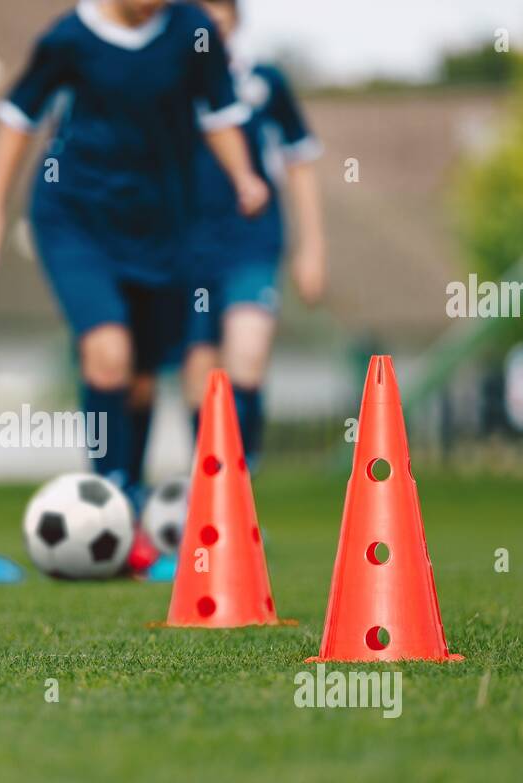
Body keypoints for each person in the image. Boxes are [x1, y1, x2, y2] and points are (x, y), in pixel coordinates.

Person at [0, 0, 269, 515]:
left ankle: (131, 491)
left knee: (143, 374)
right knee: (108, 352)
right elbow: (19, 117)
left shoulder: (193, 30)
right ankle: (110, 499)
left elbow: (218, 112)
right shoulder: (69, 38)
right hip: (74, 218)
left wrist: (244, 175)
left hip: (160, 224)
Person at [183, 0, 326, 469]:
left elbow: (299, 162)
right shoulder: (168, 84)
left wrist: (312, 248)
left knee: (246, 356)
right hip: (185, 245)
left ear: (235, 18)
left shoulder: (264, 82)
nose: (210, 20)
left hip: (252, 241)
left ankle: (243, 481)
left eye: (219, 10)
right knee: (200, 372)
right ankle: (204, 490)